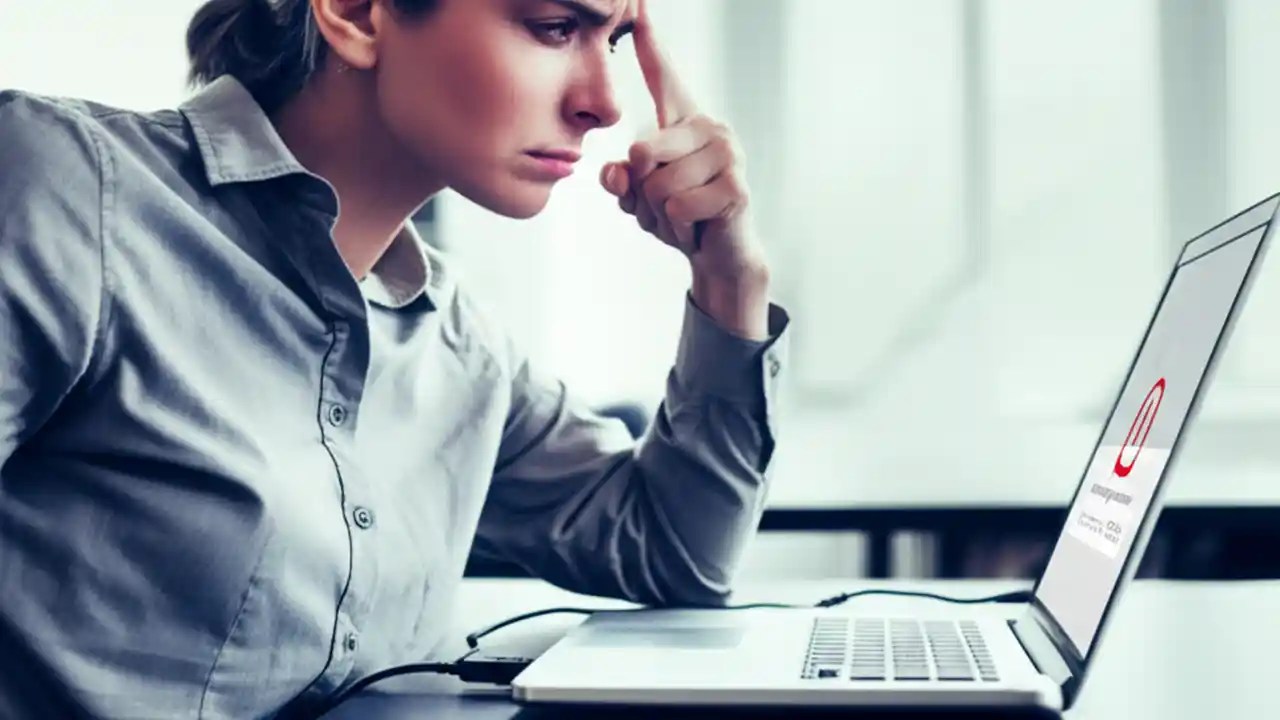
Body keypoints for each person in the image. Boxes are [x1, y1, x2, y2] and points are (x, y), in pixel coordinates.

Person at [0, 0, 790, 716]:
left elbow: (677, 554)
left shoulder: (460, 344)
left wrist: (731, 276)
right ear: (353, 13)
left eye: (611, 41)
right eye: (554, 27)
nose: (604, 102)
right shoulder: (65, 187)